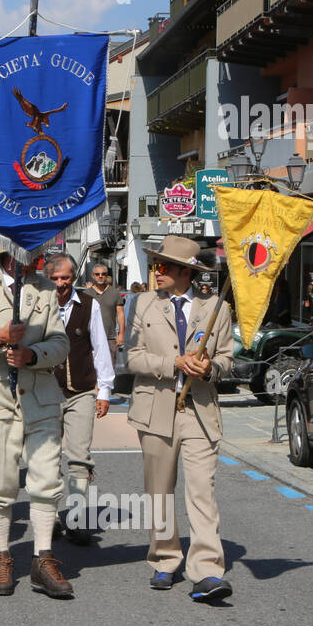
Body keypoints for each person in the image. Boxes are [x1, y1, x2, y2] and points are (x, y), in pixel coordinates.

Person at [0, 246, 72, 597]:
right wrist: (0, 338)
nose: (36, 254)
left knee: (47, 480)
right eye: (29, 248)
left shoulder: (46, 289)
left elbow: (61, 342)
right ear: (6, 250)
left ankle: (43, 558)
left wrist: (32, 354)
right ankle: (2, 556)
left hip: (41, 397)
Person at [127, 236, 234, 602]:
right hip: (155, 409)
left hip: (200, 412)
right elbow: (132, 358)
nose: (156, 273)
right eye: (155, 266)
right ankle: (165, 558)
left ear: (185, 272)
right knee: (159, 490)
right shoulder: (142, 305)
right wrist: (172, 364)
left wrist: (209, 368)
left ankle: (206, 570)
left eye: (163, 267)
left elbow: (227, 360)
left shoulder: (216, 308)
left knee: (202, 490)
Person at [43, 254, 114, 546]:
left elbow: (100, 347)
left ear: (74, 278)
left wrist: (105, 390)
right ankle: (48, 517)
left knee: (79, 458)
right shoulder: (39, 304)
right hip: (45, 392)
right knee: (45, 460)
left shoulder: (89, 305)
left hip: (81, 391)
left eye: (66, 278)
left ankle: (74, 517)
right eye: (55, 279)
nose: (60, 284)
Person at [84, 262, 125, 352]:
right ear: (93, 276)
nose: (100, 276)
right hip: (91, 337)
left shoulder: (115, 293)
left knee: (110, 365)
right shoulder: (86, 294)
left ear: (107, 275)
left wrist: (121, 334)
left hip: (110, 337)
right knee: (91, 366)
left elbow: (120, 314)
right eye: (97, 274)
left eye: (103, 274)